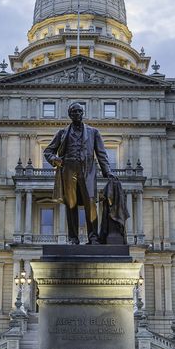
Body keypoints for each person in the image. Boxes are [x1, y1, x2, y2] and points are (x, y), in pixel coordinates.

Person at [44, 102, 115, 244]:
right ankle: (73, 238)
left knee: (90, 203)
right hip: (68, 169)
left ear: (82, 113)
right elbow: (48, 151)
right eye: (74, 112)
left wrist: (107, 170)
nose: (77, 114)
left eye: (79, 111)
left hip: (87, 170)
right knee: (71, 204)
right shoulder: (62, 133)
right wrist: (57, 160)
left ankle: (93, 237)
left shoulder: (93, 132)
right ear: (70, 115)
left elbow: (101, 153)